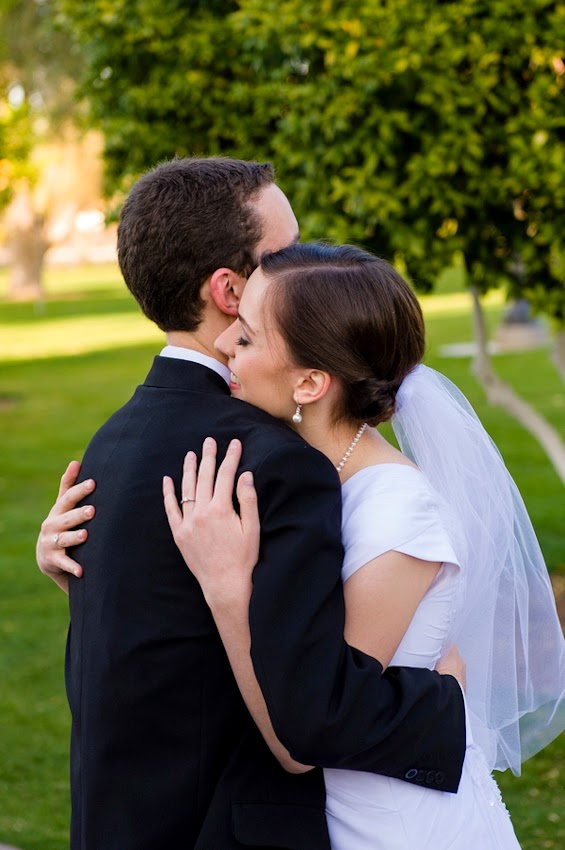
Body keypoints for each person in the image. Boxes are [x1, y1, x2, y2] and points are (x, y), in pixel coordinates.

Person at [36, 158, 467, 850]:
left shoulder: (112, 441)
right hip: (221, 827)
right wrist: (441, 698)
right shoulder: (272, 463)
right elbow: (311, 710)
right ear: (231, 290)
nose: (303, 266)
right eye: (284, 252)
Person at [162, 242, 565, 850]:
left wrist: (225, 589)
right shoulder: (306, 480)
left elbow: (301, 737)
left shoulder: (399, 517)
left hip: (398, 828)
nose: (223, 347)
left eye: (245, 337)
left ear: (311, 382)